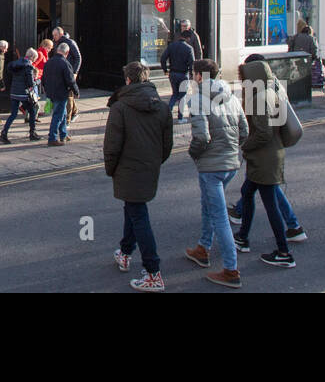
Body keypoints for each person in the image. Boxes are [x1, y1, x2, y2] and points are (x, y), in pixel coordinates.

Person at [104, 60, 174, 292]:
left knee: (138, 214)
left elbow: (112, 146)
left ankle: (153, 272)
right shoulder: (162, 107)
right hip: (149, 167)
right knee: (133, 209)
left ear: (128, 80)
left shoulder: (120, 108)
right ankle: (125, 252)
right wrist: (154, 161)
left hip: (127, 168)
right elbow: (167, 145)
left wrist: (111, 168)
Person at [184, 58, 248, 288]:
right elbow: (244, 129)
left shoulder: (198, 99)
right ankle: (203, 247)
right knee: (208, 205)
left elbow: (201, 137)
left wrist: (195, 154)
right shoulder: (230, 96)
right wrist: (231, 150)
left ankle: (231, 270)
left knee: (219, 216)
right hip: (231, 163)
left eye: (194, 74)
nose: (193, 77)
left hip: (212, 165)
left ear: (201, 76)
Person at [233, 56, 295, 268]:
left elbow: (263, 133)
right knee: (247, 193)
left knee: (270, 206)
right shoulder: (273, 91)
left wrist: (244, 146)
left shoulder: (259, 98)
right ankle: (242, 237)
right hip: (271, 154)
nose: (242, 81)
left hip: (264, 158)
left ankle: (284, 251)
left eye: (245, 77)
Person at [0, 48, 41, 143]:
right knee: (32, 112)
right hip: (24, 94)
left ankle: (4, 133)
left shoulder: (16, 64)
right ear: (32, 57)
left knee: (13, 114)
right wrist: (37, 81)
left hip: (14, 92)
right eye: (34, 59)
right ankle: (32, 133)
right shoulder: (28, 67)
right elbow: (30, 83)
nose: (34, 61)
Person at [43, 40, 80, 146]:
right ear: (67, 53)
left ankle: (63, 134)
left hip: (51, 92)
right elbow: (70, 80)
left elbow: (44, 78)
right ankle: (52, 138)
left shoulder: (49, 62)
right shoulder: (65, 63)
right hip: (61, 92)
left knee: (63, 114)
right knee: (58, 115)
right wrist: (76, 91)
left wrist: (47, 90)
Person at [160, 29, 194, 122]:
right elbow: (191, 63)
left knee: (174, 94)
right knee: (182, 96)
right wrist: (191, 75)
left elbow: (163, 58)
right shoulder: (189, 48)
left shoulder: (171, 46)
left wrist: (165, 70)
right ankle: (180, 118)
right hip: (183, 74)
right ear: (188, 38)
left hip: (173, 73)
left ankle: (167, 115)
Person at [53, 27, 82, 123]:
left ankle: (67, 119)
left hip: (69, 71)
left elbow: (78, 58)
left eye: (55, 35)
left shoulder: (70, 42)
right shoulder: (56, 43)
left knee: (69, 95)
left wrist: (74, 72)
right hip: (60, 71)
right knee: (67, 93)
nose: (54, 37)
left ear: (61, 34)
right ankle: (74, 112)